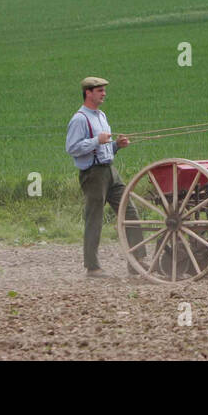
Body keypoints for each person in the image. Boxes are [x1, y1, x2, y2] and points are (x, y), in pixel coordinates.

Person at [66, 76, 133, 276]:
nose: (104, 93)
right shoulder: (79, 118)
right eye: (100, 90)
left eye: (104, 90)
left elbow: (105, 147)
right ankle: (92, 267)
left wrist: (116, 146)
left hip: (110, 170)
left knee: (129, 212)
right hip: (93, 174)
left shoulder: (101, 116)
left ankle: (137, 262)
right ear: (88, 92)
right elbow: (72, 148)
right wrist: (96, 140)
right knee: (94, 218)